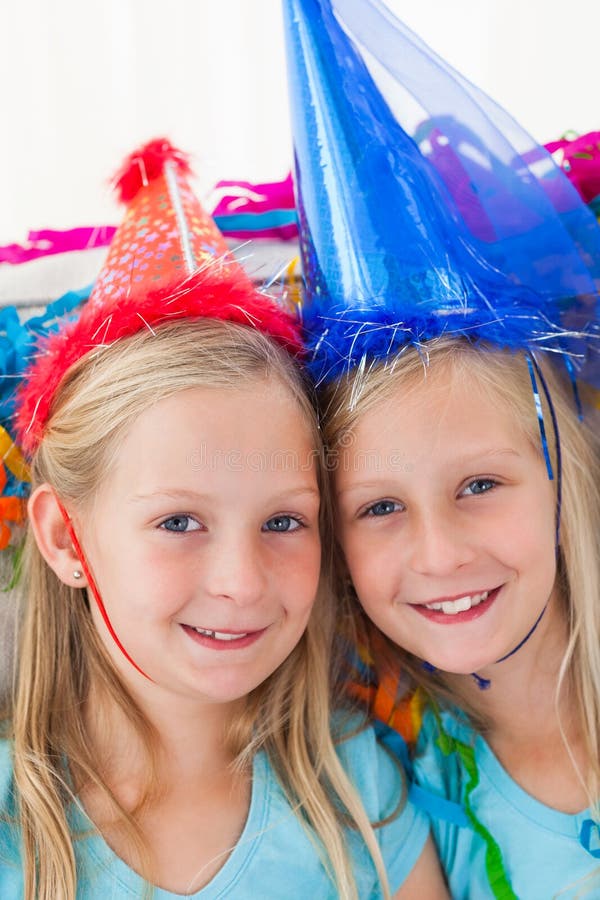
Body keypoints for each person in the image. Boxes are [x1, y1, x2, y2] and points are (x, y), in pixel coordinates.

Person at [0, 139, 447, 899]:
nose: (242, 583)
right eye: (178, 522)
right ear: (64, 538)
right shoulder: (16, 829)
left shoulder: (354, 793)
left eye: (282, 522)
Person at [282, 0, 600, 896]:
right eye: (379, 506)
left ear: (556, 467)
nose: (441, 554)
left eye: (480, 484)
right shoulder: (389, 787)